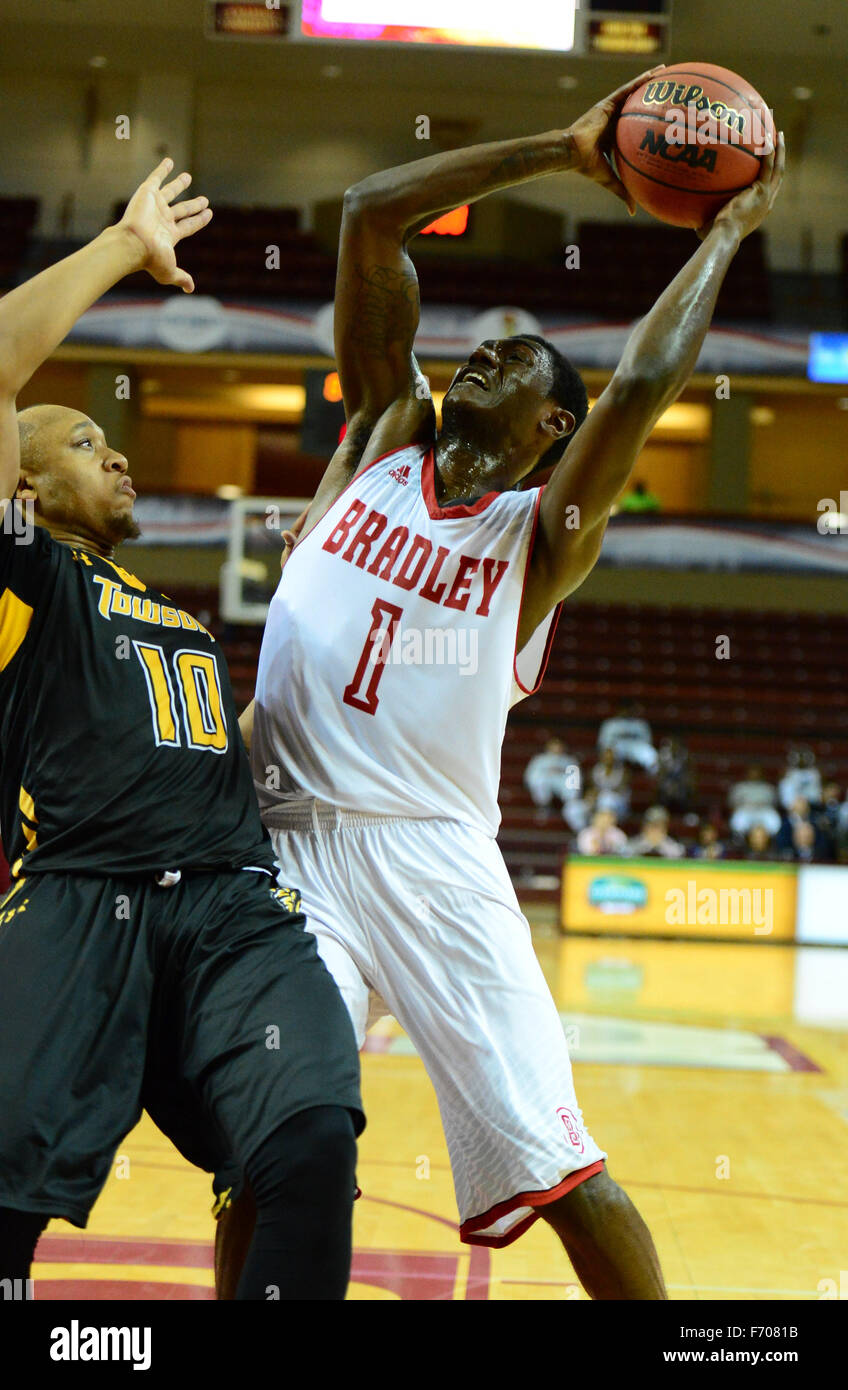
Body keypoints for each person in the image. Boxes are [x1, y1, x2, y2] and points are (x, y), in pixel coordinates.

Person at [220, 69, 784, 1301]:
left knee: (565, 1164)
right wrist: (564, 148)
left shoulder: (540, 537)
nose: (481, 357)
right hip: (282, 849)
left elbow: (639, 385)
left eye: (517, 360)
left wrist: (732, 227)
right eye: (478, 347)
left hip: (436, 861)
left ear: (549, 430)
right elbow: (370, 210)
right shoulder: (380, 431)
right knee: (273, 1147)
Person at [0, 161, 363, 1301]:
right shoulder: (28, 580)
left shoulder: (177, 617)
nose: (114, 453)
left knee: (310, 1142)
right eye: (78, 441)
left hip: (227, 903)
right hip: (76, 897)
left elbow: (218, 753)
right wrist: (121, 245)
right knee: (7, 1201)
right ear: (18, 482)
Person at [523, 736, 580, 818]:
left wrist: (560, 772)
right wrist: (547, 773)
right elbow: (530, 776)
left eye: (558, 745)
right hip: (545, 780)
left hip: (562, 781)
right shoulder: (539, 759)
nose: (556, 748)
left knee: (571, 783)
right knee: (539, 781)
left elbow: (575, 778)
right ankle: (543, 806)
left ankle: (570, 807)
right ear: (548, 746)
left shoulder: (569, 760)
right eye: (554, 745)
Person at [597, 702, 658, 774]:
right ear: (619, 710)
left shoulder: (640, 724)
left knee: (651, 754)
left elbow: (647, 742)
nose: (625, 712)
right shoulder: (610, 724)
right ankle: (608, 778)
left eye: (628, 710)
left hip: (636, 748)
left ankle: (653, 777)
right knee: (608, 754)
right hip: (617, 748)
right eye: (623, 710)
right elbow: (603, 742)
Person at [728, 764, 781, 837]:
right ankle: (740, 838)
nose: (754, 775)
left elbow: (774, 804)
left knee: (773, 819)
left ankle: (772, 838)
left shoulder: (768, 788)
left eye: (756, 772)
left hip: (764, 810)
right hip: (746, 810)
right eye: (752, 772)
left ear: (761, 774)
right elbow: (733, 804)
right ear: (747, 774)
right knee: (739, 820)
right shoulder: (740, 787)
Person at [589, 745, 630, 821]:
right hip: (601, 801)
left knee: (607, 798)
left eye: (610, 757)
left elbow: (620, 790)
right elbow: (594, 789)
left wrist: (603, 792)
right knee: (601, 800)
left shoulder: (623, 771)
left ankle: (605, 824)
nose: (608, 759)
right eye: (606, 757)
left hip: (620, 803)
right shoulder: (597, 770)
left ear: (615, 758)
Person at [655, 736, 694, 813]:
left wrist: (678, 785)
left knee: (684, 791)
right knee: (665, 791)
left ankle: (684, 814)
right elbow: (661, 774)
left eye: (675, 745)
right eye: (671, 745)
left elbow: (689, 772)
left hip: (681, 784)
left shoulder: (684, 756)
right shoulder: (664, 756)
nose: (673, 747)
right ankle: (663, 811)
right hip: (667, 784)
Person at [778, 746, 822, 812]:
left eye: (804, 758)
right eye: (799, 758)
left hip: (810, 805)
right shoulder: (789, 773)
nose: (802, 761)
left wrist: (806, 803)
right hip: (792, 805)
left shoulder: (814, 773)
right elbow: (786, 793)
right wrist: (792, 805)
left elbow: (816, 793)